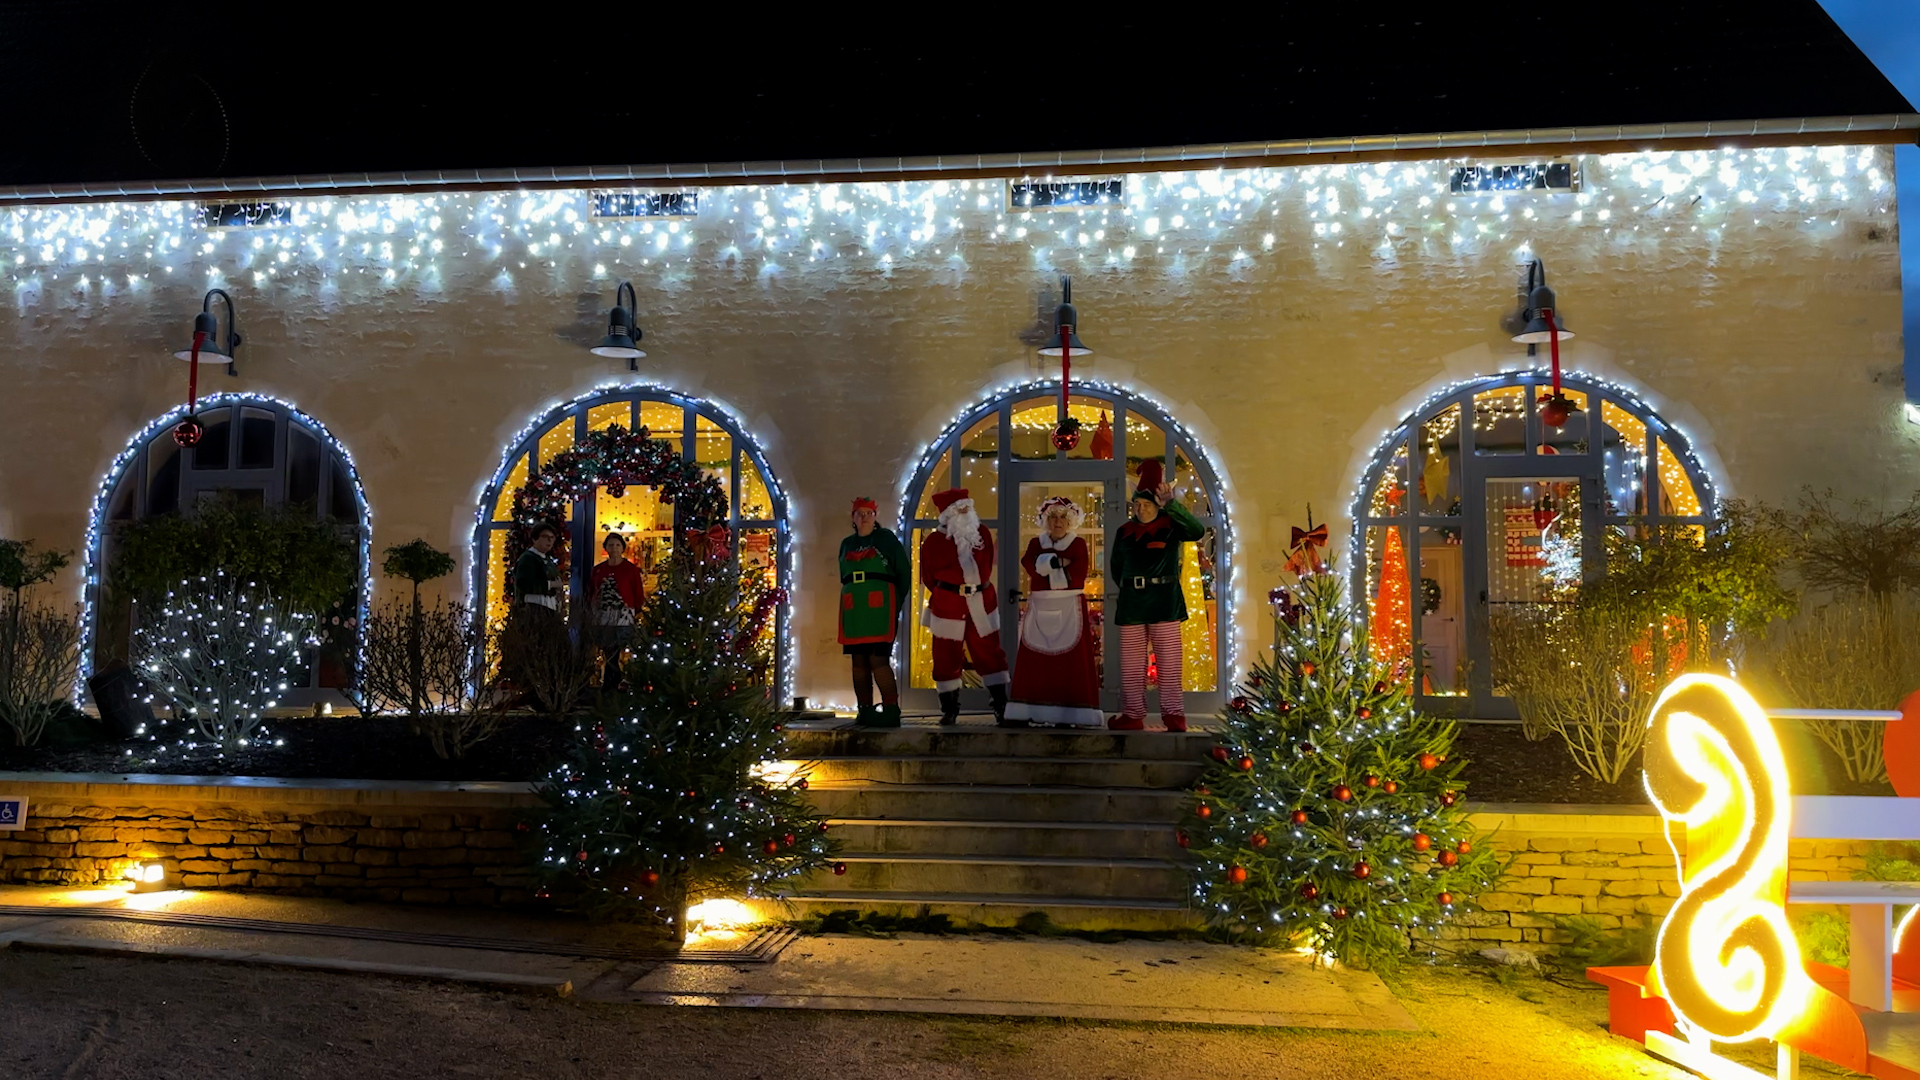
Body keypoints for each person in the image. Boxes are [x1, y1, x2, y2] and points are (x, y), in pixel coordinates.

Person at [1109, 460, 1207, 732]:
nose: (1140, 509)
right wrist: (1131, 587)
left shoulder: (1171, 526)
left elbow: (1197, 531)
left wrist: (1172, 505)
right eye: (1137, 505)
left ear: (1157, 505)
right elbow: (1117, 568)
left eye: (1146, 504)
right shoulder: (1124, 532)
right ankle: (1132, 714)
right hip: (1132, 604)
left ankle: (1174, 716)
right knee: (1130, 665)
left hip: (1164, 602)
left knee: (1169, 663)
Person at [1004, 496, 1102, 728]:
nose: (1058, 522)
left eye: (1063, 518)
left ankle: (1069, 713)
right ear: (1045, 520)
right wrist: (1060, 562)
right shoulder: (1035, 544)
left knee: (1070, 663)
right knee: (1035, 662)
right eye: (1053, 517)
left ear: (1070, 521)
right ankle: (1029, 709)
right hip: (1041, 606)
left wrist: (1045, 563)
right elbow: (1029, 565)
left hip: (1069, 608)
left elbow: (1078, 573)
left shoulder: (1078, 544)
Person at [920, 488, 1012, 726]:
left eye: (967, 507)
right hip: (948, 604)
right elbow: (928, 577)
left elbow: (988, 566)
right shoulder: (933, 542)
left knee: (990, 653)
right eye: (959, 508)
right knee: (945, 655)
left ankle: (1001, 707)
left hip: (981, 601)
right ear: (948, 514)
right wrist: (949, 592)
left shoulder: (981, 533)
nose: (965, 511)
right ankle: (949, 709)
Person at [839, 497, 910, 727]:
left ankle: (891, 710)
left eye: (869, 513)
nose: (865, 517)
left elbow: (903, 572)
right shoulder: (846, 544)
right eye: (860, 513)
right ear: (853, 517)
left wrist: (894, 602)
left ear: (876, 516)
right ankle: (865, 710)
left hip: (880, 608)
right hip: (854, 609)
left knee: (878, 659)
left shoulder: (886, 539)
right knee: (858, 662)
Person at [588, 532, 645, 693]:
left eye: (617, 545)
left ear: (623, 548)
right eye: (611, 545)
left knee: (619, 648)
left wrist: (637, 610)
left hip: (624, 614)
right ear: (605, 547)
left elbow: (637, 592)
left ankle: (612, 683)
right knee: (608, 648)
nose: (614, 548)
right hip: (603, 614)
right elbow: (592, 591)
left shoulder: (630, 569)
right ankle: (612, 682)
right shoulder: (598, 570)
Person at [513, 522, 562, 614]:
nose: (549, 540)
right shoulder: (528, 559)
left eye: (552, 538)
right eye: (545, 537)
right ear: (535, 539)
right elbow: (524, 584)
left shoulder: (549, 561)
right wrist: (551, 584)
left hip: (549, 608)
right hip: (533, 609)